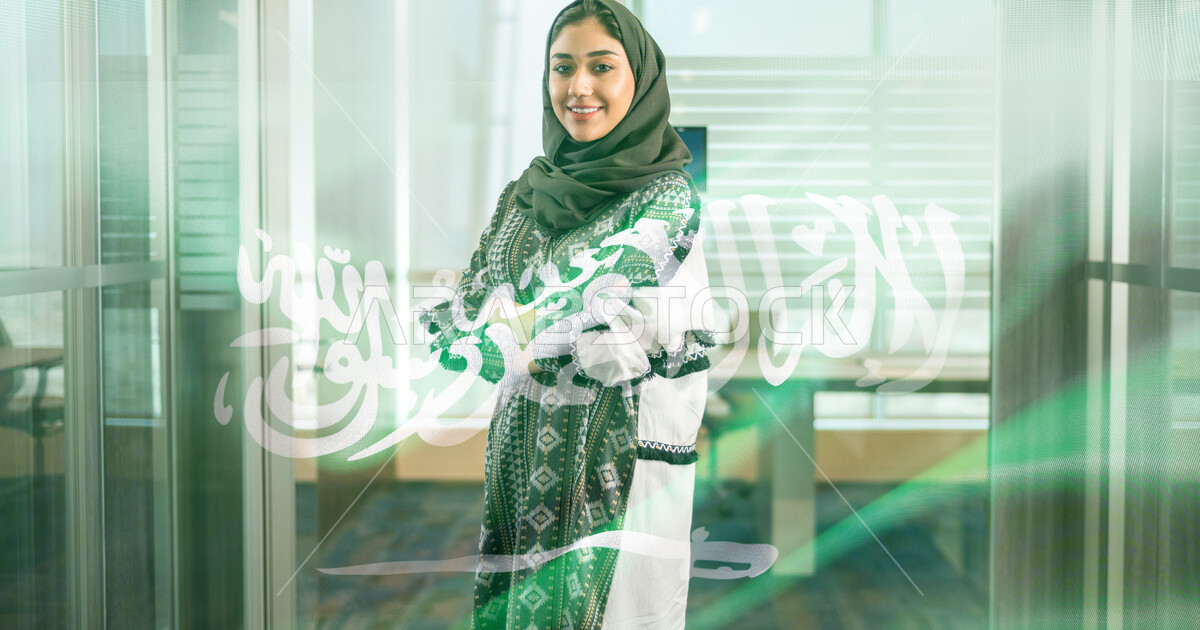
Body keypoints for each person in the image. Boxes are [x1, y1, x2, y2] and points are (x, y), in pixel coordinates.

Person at [418, 1, 714, 627]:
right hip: (524, 449)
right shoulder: (527, 194)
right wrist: (472, 327)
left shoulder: (665, 195)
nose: (578, 87)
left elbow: (604, 281)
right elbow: (474, 299)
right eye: (562, 67)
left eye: (601, 66)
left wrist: (519, 326)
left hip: (617, 461)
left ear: (639, 79)